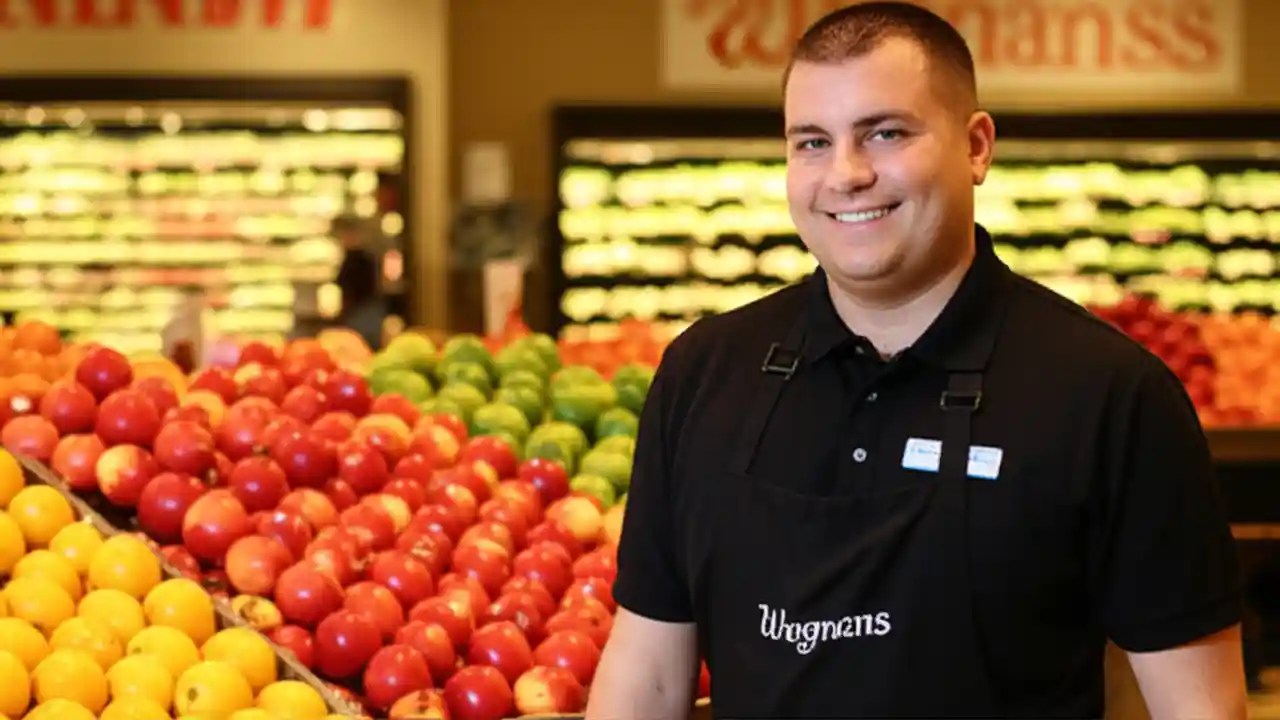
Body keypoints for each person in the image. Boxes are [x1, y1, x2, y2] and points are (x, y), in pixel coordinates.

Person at [585, 3, 1247, 719]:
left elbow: (1200, 710)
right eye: (811, 142)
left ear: (977, 146)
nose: (845, 174)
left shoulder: (1113, 396)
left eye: (886, 132)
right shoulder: (702, 373)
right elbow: (649, 671)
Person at [331, 214, 387, 350]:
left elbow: (343, 284)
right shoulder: (369, 256)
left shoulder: (354, 258)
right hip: (369, 308)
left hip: (360, 310)